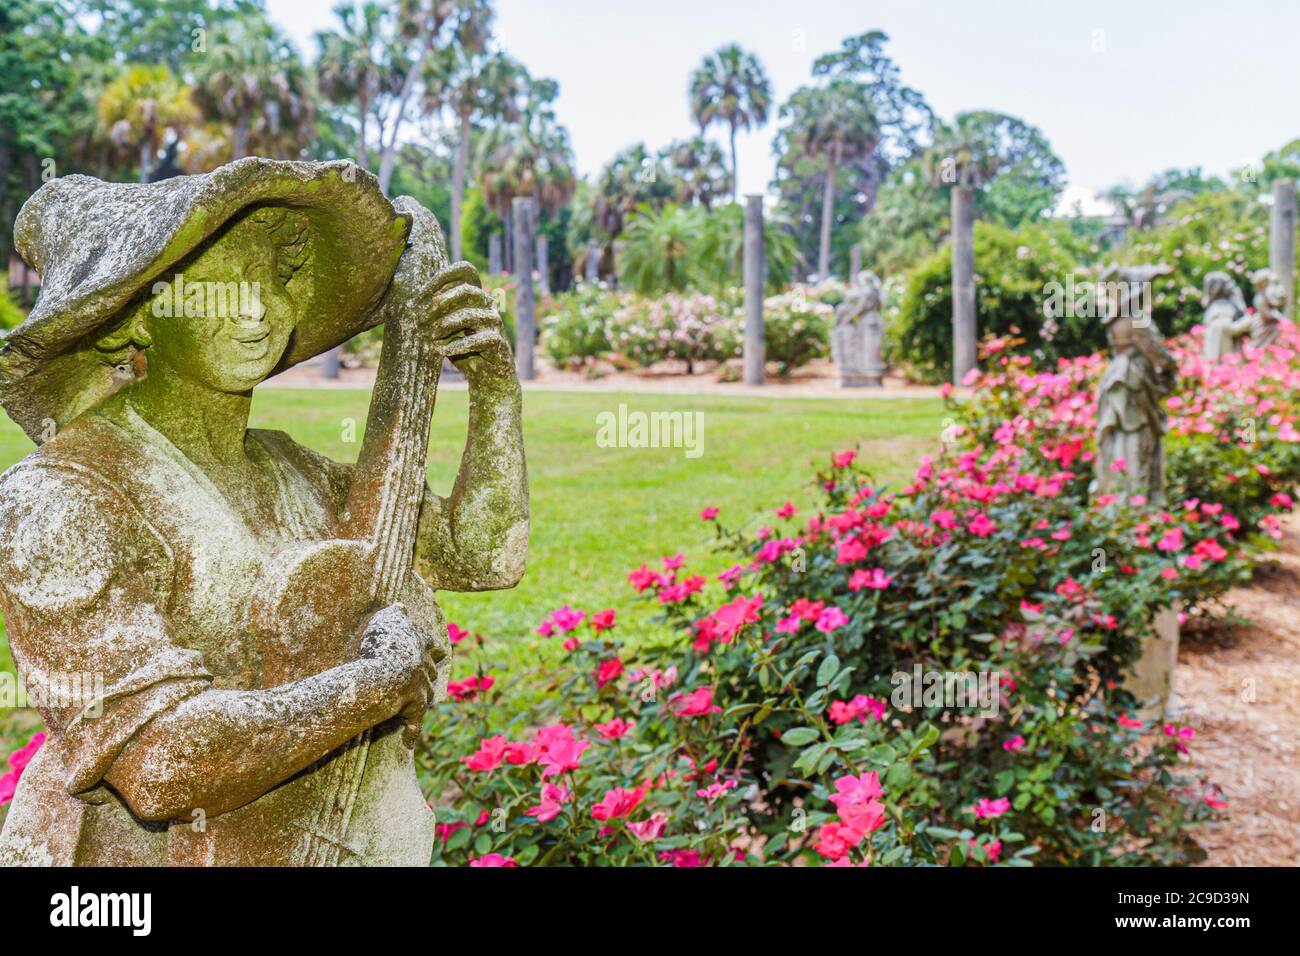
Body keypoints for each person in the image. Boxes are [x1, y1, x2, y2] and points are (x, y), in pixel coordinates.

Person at [0, 158, 528, 865]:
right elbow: (161, 762)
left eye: (273, 282)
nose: (254, 312)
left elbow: (482, 555)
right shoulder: (58, 498)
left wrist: (494, 394)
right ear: (140, 318)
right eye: (218, 291)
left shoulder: (292, 470)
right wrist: (375, 683)